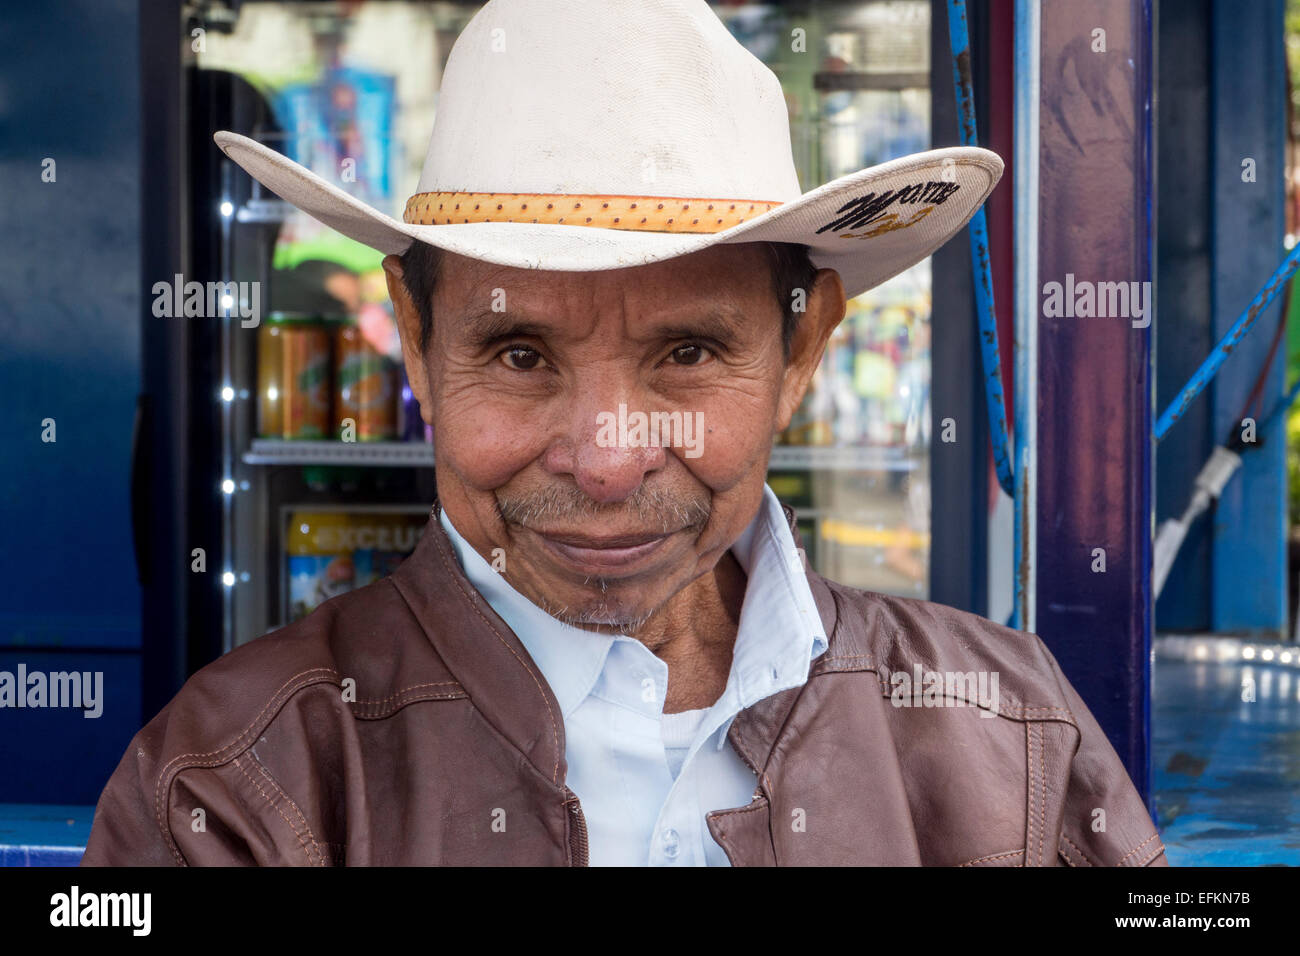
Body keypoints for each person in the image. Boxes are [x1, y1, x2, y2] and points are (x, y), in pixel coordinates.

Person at [82, 0, 1165, 866]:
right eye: (519, 355)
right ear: (415, 340)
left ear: (801, 349)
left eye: (687, 353)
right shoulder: (228, 788)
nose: (606, 457)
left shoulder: (1015, 733)